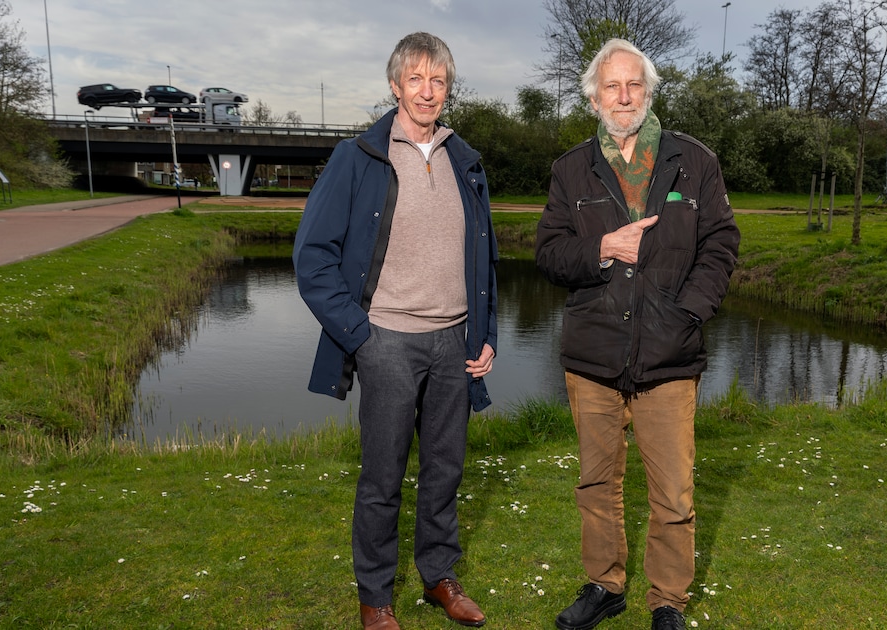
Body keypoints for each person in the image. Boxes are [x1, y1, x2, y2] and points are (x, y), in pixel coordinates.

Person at [293, 32, 497, 630]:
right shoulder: (357, 157)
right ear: (395, 85)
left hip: (453, 342)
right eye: (416, 79)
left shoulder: (466, 160)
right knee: (383, 475)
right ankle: (375, 597)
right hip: (385, 341)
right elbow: (313, 258)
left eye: (438, 81)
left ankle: (439, 578)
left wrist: (484, 335)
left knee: (445, 469)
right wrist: (360, 335)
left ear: (448, 88)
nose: (427, 91)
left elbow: (483, 258)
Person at [535, 38, 740, 630]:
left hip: (670, 355)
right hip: (593, 357)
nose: (623, 97)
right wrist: (600, 249)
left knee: (673, 493)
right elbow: (548, 253)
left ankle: (667, 602)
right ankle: (604, 585)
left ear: (648, 91)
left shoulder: (694, 161)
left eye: (633, 85)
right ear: (593, 97)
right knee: (597, 483)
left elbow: (721, 243)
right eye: (611, 86)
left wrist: (689, 312)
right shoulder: (569, 169)